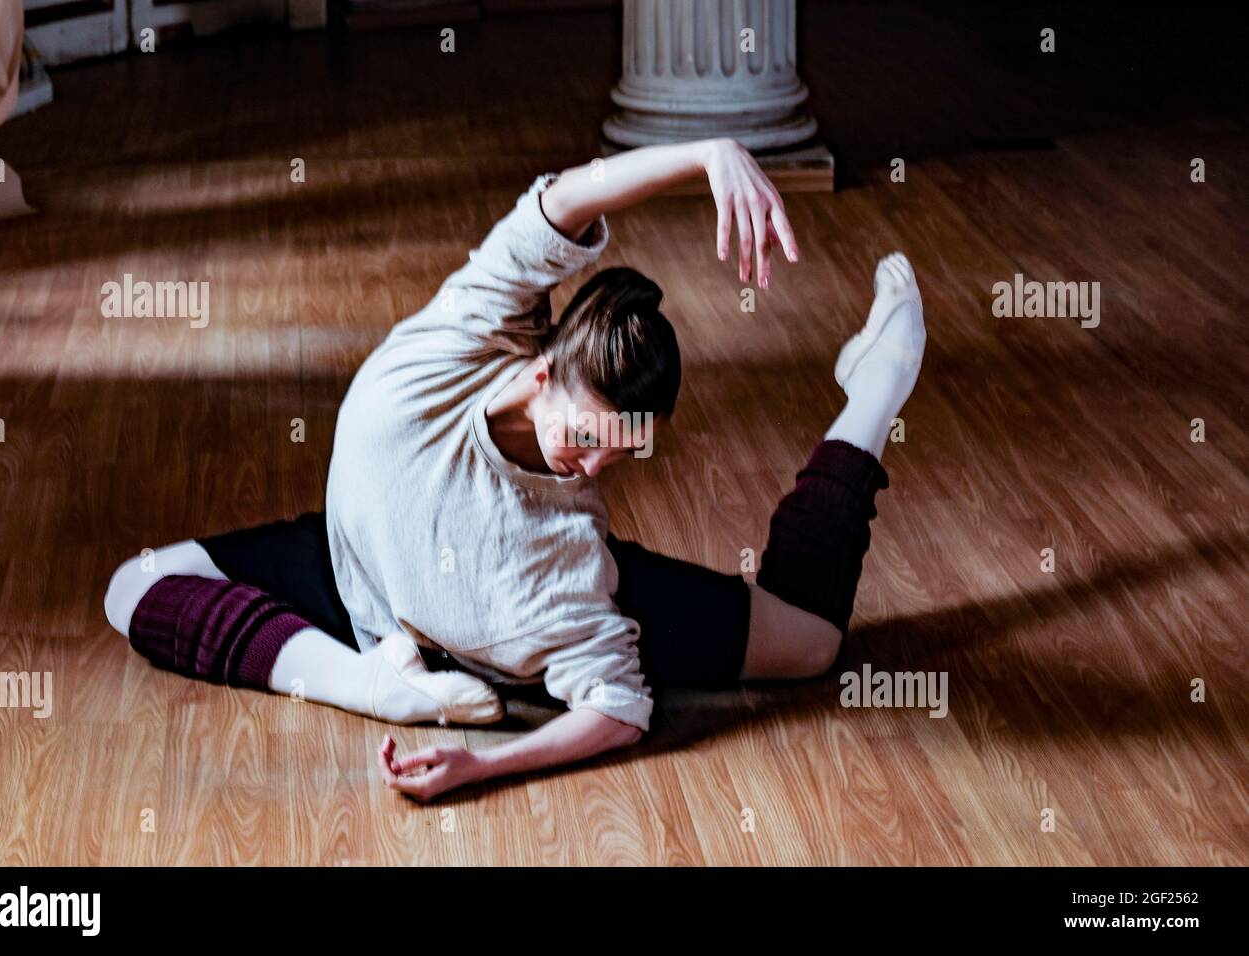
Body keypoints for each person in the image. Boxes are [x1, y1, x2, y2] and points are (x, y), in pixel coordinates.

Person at [103, 137, 926, 801]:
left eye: (623, 448)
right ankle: (376, 686)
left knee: (812, 641)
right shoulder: (470, 335)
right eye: (588, 435)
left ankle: (876, 384)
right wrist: (705, 153)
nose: (598, 465)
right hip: (364, 566)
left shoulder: (570, 557)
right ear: (539, 374)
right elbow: (563, 199)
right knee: (136, 585)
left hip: (492, 624)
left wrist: (481, 766)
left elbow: (618, 711)